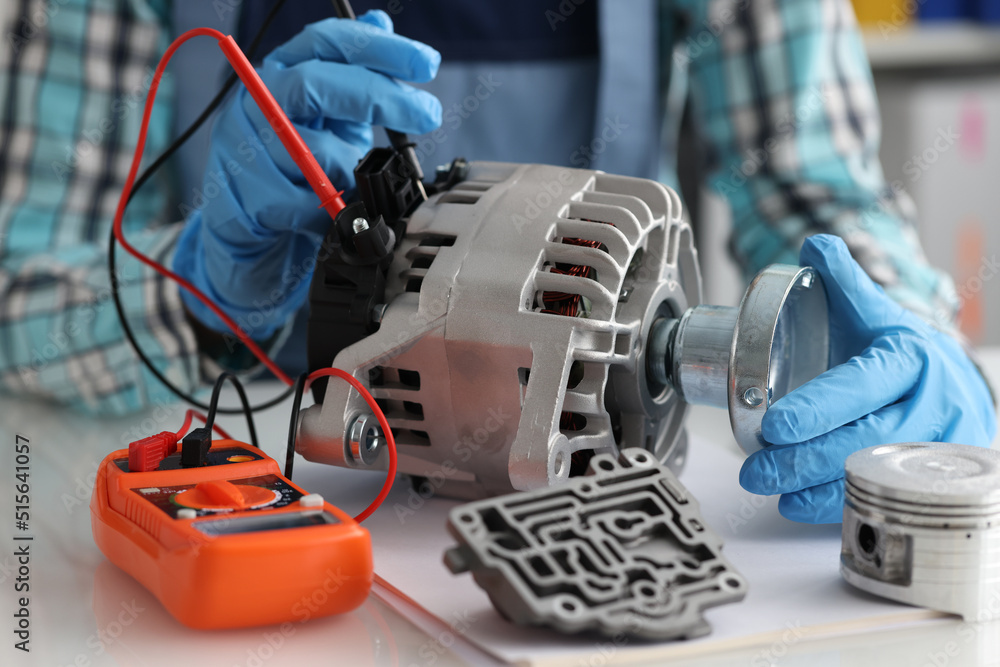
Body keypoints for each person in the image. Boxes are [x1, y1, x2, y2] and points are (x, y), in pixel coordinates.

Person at [0, 0, 994, 523]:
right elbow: (22, 294)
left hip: (557, 493)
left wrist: (897, 330)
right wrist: (202, 280)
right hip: (212, 503)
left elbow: (813, 189)